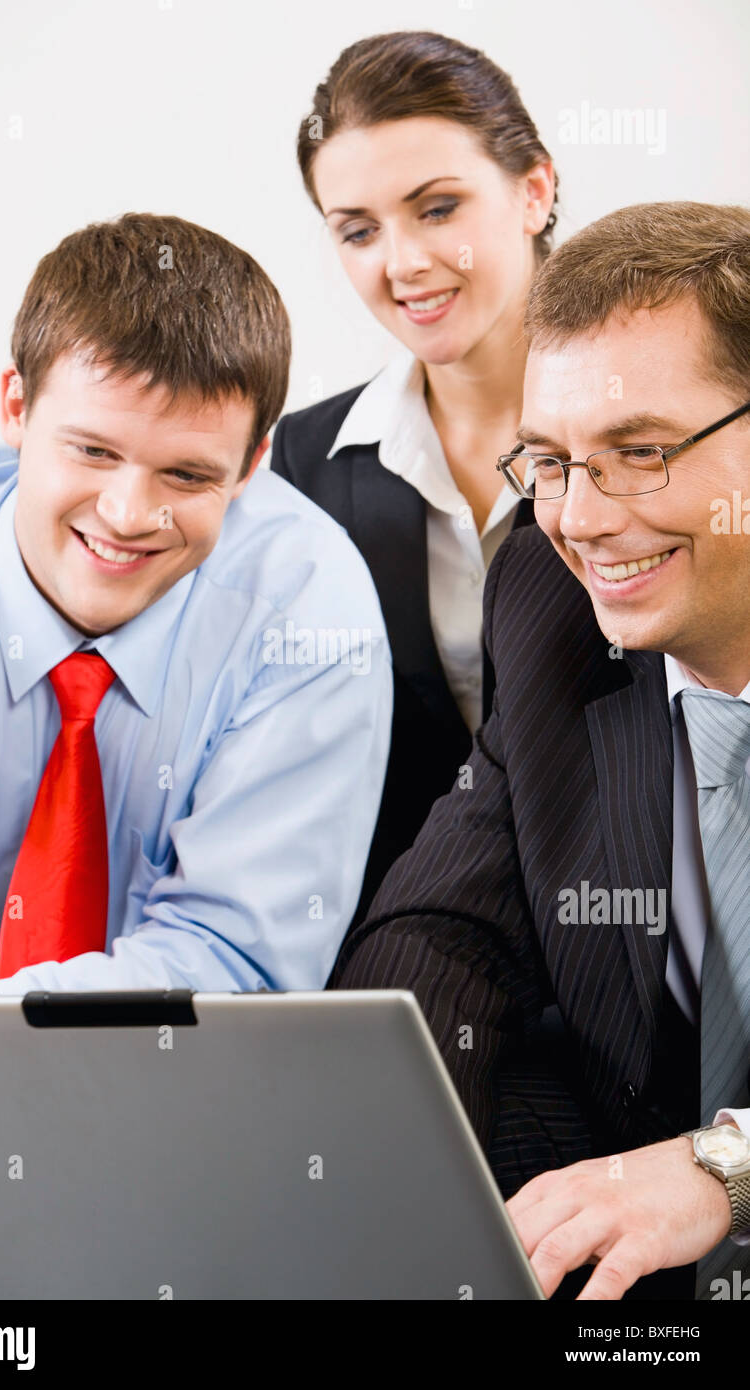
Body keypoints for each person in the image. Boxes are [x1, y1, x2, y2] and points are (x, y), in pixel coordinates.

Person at [333, 201, 750, 1301]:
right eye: (550, 461)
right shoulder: (545, 597)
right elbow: (446, 925)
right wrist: (366, 1168)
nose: (579, 517)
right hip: (636, 1202)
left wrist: (729, 1167)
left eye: (638, 453)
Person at [0, 211, 391, 1003]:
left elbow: (231, 963)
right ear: (16, 409)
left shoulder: (309, 608)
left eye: (187, 476)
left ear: (253, 463)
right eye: (92, 450)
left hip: (163, 1055)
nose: (126, 514)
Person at [271, 31, 555, 914]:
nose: (401, 263)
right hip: (404, 959)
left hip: (654, 962)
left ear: (534, 192)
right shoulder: (299, 463)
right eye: (358, 231)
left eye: (437, 209)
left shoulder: (664, 434)